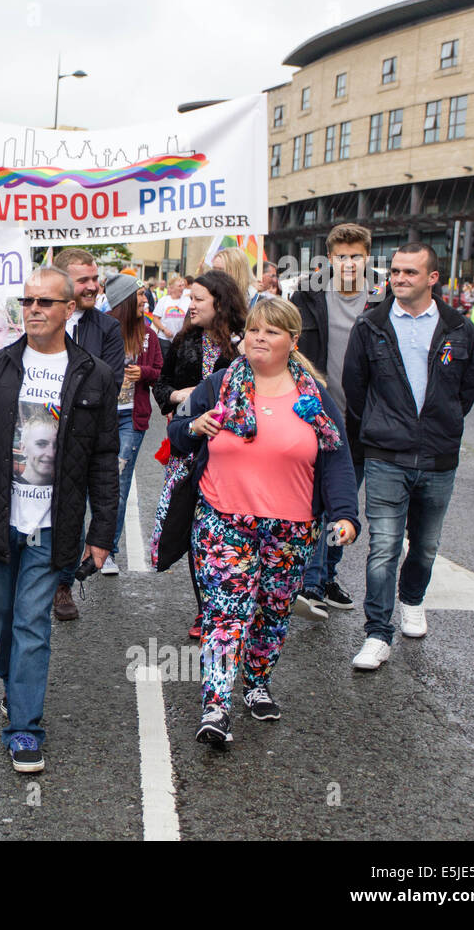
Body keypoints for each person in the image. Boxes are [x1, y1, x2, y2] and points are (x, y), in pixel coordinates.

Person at [0, 266, 119, 774]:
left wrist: (102, 532)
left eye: (46, 302)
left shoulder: (94, 374)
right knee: (5, 614)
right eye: (28, 301)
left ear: (69, 309)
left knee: (32, 622)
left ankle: (24, 728)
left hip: (55, 523)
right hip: (0, 519)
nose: (35, 309)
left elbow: (105, 457)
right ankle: (11, 682)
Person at [168, 297, 359, 747]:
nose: (258, 338)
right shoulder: (219, 385)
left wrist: (346, 515)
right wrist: (195, 426)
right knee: (225, 614)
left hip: (292, 526)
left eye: (271, 332)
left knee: (272, 612)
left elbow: (336, 459)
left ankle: (256, 683)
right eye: (254, 329)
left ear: (292, 342)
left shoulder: (313, 395)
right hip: (223, 519)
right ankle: (216, 707)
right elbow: (177, 435)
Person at [344, 243, 474, 670]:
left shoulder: (459, 327)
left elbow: (467, 390)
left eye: (410, 273)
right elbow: (356, 389)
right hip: (386, 454)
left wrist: (443, 423)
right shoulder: (371, 324)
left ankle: (413, 601)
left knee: (425, 544)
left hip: (439, 456)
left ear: (433, 278)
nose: (399, 279)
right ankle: (377, 633)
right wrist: (384, 428)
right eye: (396, 272)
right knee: (382, 546)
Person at [290, 223, 384, 620]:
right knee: (318, 503)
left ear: (367, 257)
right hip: (317, 413)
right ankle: (309, 583)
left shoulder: (383, 295)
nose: (348, 263)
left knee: (342, 503)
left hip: (364, 418)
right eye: (341, 256)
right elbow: (291, 345)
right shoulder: (308, 293)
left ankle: (325, 576)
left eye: (356, 256)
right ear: (330, 258)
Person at [152, 269, 247, 638]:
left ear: (220, 303)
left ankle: (229, 604)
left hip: (230, 454)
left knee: (226, 531)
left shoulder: (243, 342)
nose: (189, 306)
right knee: (195, 532)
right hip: (187, 449)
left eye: (198, 300)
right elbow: (162, 385)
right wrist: (180, 396)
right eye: (189, 298)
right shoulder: (184, 341)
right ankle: (205, 609)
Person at [52, 247, 124, 619]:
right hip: (37, 434)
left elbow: (106, 383)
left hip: (83, 434)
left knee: (73, 508)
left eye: (96, 279)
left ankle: (63, 585)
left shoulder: (108, 328)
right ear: (63, 283)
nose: (94, 286)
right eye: (85, 280)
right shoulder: (40, 319)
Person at [96, 272, 162, 575]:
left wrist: (143, 373)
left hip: (130, 418)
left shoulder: (147, 333)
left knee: (118, 484)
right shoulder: (100, 329)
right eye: (138, 295)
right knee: (92, 484)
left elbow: (158, 369)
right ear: (123, 300)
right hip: (100, 416)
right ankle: (89, 544)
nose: (144, 299)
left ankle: (108, 550)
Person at [150, 273, 191, 360]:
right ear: (172, 288)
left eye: (183, 286)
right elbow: (155, 318)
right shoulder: (164, 300)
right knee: (165, 362)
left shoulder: (187, 301)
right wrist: (164, 329)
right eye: (179, 286)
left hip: (181, 339)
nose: (182, 288)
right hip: (165, 338)